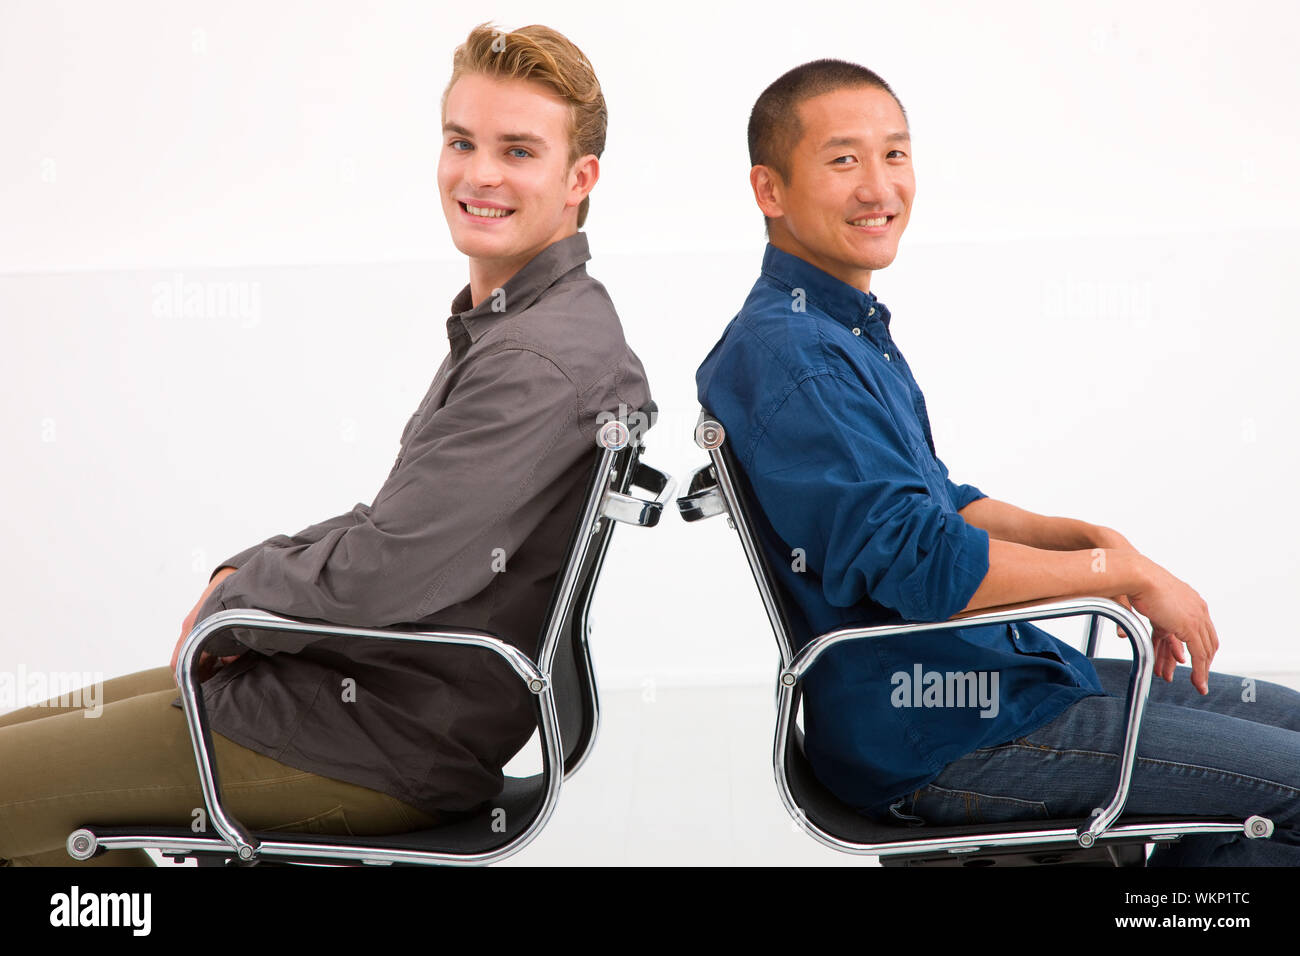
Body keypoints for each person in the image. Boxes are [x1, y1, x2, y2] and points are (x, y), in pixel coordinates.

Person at [0, 21, 651, 866]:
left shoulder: (535, 359)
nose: (479, 174)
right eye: (462, 142)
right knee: (28, 743)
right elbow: (398, 529)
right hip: (355, 701)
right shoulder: (530, 326)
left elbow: (393, 567)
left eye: (518, 151)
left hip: (373, 743)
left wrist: (241, 601)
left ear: (579, 178)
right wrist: (248, 574)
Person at [695, 58, 1299, 866]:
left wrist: (1085, 537)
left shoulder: (839, 330)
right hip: (943, 729)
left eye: (896, 154)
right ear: (770, 190)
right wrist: (1111, 572)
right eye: (844, 160)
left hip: (997, 684)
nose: (880, 187)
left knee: (1290, 719)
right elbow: (920, 561)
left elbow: (940, 503)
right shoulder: (794, 356)